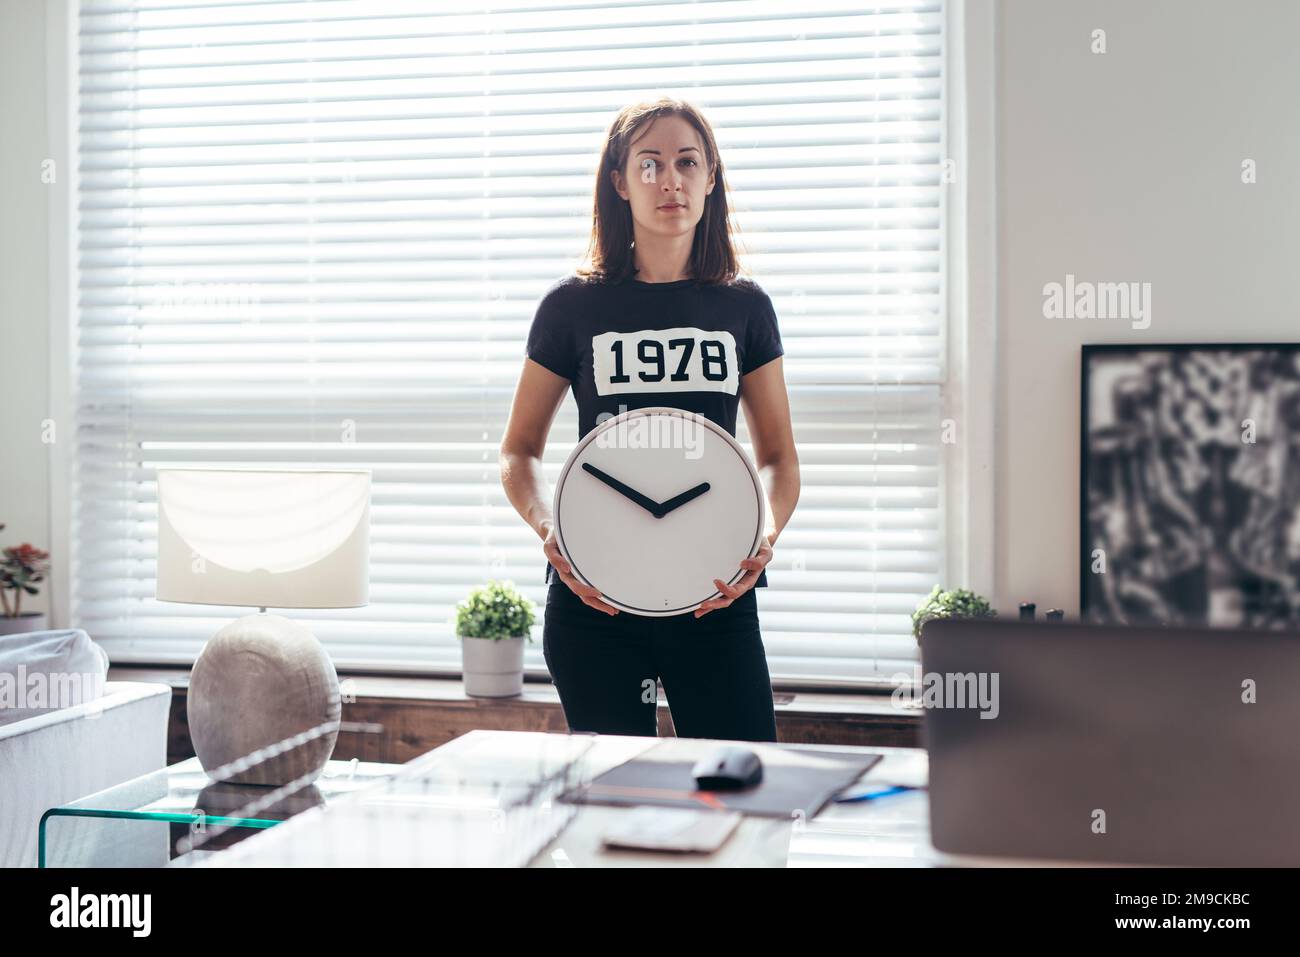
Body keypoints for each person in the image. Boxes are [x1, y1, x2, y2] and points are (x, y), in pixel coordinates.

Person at [499, 97, 800, 742]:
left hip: (715, 593)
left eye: (688, 162)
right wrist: (550, 529)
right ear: (619, 180)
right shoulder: (571, 306)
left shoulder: (744, 307)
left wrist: (764, 534)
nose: (671, 180)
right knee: (612, 805)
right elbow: (519, 450)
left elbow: (777, 457)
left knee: (742, 795)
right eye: (650, 163)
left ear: (711, 177)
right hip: (595, 599)